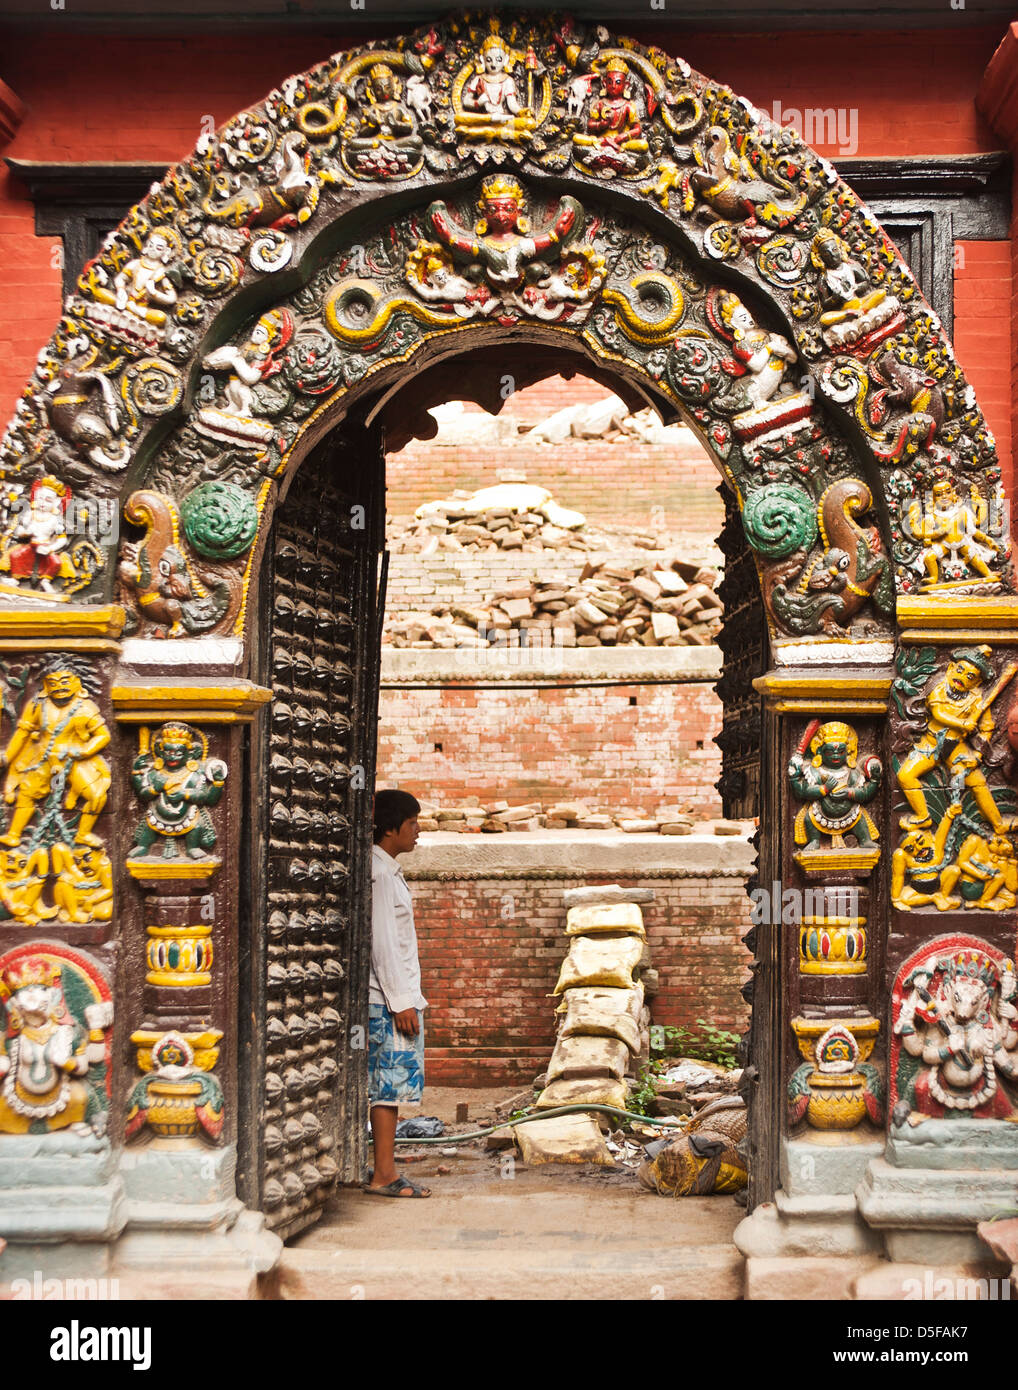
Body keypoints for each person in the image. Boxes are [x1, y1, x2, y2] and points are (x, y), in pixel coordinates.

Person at [364, 788, 431, 1198]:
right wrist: (400, 1001)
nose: (417, 830)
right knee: (386, 1089)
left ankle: (383, 1168)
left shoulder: (388, 870)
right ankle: (383, 1175)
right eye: (411, 824)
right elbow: (383, 943)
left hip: (394, 997)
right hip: (387, 1001)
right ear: (390, 828)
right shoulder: (379, 875)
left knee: (389, 1087)